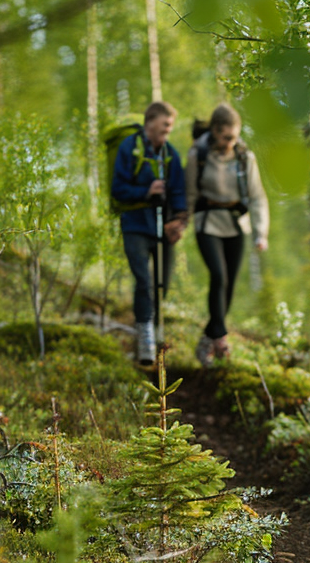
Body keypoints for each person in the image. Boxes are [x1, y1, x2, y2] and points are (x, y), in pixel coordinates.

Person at [185, 102, 269, 366]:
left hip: (235, 225)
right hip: (207, 223)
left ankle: (207, 339)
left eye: (235, 137)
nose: (231, 143)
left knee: (229, 285)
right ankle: (220, 337)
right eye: (227, 137)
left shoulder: (245, 157)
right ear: (215, 130)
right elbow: (189, 195)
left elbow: (257, 197)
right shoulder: (197, 154)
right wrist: (180, 223)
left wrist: (260, 232)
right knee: (218, 276)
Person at [111, 101, 188, 366]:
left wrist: (179, 220)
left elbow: (179, 190)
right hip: (134, 225)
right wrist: (146, 191)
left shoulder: (170, 154)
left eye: (170, 126)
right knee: (144, 280)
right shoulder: (128, 149)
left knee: (161, 284)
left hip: (163, 228)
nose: (168, 130)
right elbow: (117, 189)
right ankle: (145, 338)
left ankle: (155, 330)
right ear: (150, 122)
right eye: (165, 125)